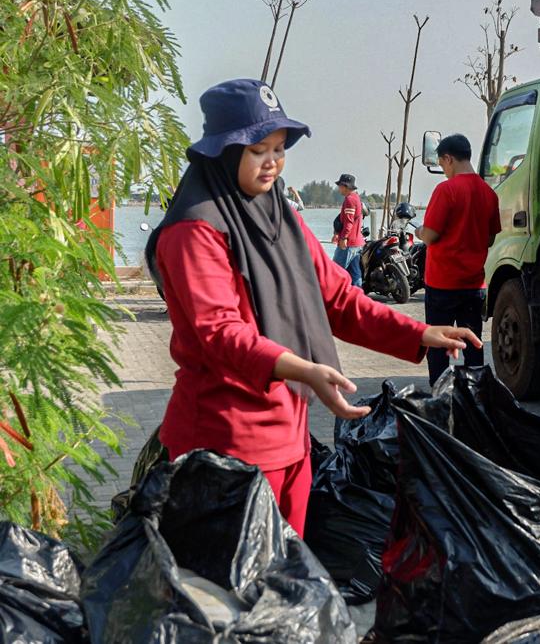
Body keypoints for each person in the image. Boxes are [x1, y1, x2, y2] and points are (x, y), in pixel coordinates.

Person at [144, 79, 481, 537]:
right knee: (229, 595)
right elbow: (219, 333)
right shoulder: (194, 231)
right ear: (223, 152)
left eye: (279, 149)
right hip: (222, 445)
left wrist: (419, 333)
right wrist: (304, 369)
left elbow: (338, 299)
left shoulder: (280, 216)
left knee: (286, 587)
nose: (272, 162)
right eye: (257, 149)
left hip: (290, 437)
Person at [416, 134, 500, 386]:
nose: (443, 172)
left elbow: (429, 236)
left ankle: (441, 398)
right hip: (474, 285)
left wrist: (419, 231)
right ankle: (474, 397)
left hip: (442, 283)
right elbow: (490, 240)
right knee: (473, 344)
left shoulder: (446, 190)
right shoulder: (488, 193)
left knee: (439, 345)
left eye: (442, 165)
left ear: (448, 159)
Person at [331, 173, 364, 288]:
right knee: (355, 273)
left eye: (340, 185)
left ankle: (332, 297)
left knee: (335, 271)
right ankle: (359, 298)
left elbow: (349, 222)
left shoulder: (350, 200)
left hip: (349, 243)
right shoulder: (356, 198)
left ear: (345, 186)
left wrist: (344, 238)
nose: (339, 188)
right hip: (357, 242)